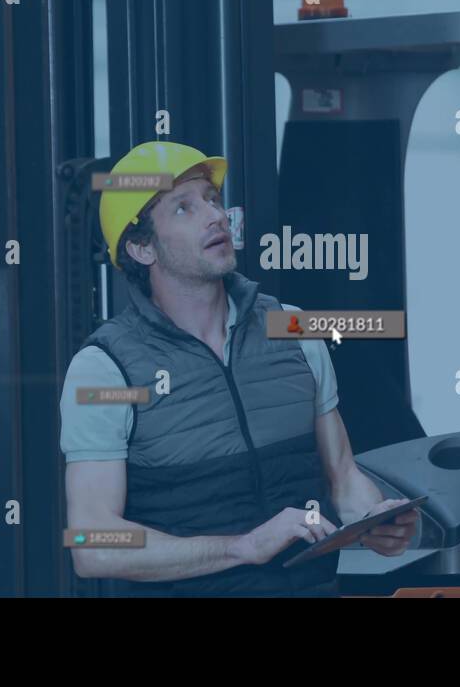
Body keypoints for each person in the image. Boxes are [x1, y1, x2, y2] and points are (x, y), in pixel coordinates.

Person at [60, 141, 419, 596]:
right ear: (142, 248)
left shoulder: (293, 330)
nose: (215, 216)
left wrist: (375, 520)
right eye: (184, 208)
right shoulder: (104, 369)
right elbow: (93, 546)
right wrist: (243, 547)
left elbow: (343, 478)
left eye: (212, 198)